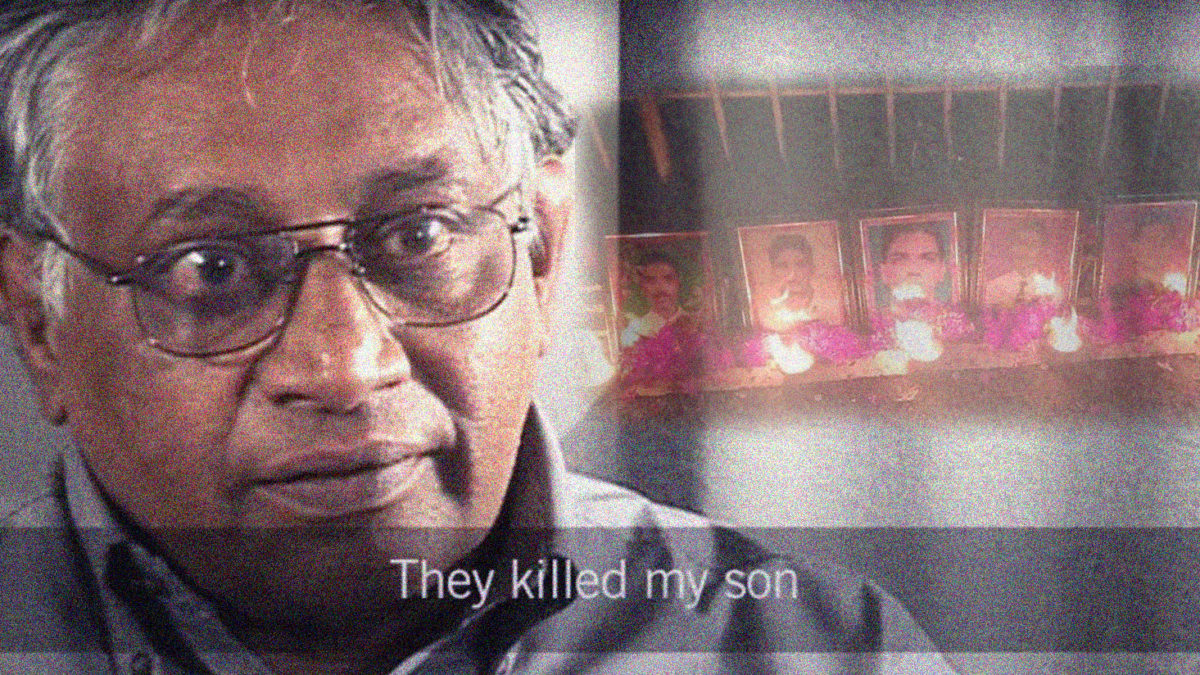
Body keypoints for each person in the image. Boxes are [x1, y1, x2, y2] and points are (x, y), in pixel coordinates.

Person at [0, 1, 955, 673]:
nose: (345, 367)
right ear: (38, 321)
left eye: (419, 236)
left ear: (540, 255)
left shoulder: (822, 653)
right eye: (210, 269)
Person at [753, 233, 843, 331]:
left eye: (800, 264)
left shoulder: (830, 309)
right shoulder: (764, 314)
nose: (792, 274)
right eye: (783, 266)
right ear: (773, 271)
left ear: (812, 268)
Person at [618, 249, 694, 347]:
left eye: (668, 279)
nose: (660, 287)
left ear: (678, 282)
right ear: (642, 286)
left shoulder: (696, 324)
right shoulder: (633, 333)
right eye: (651, 281)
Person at [983, 220, 1064, 308]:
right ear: (1011, 248)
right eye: (1021, 243)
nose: (1026, 250)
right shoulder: (995, 287)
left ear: (1041, 250)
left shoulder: (1052, 290)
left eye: (1033, 245)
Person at [876, 223, 951, 309]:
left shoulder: (957, 316)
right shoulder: (868, 317)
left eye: (927, 259)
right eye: (900, 260)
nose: (914, 270)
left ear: (941, 271)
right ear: (884, 272)